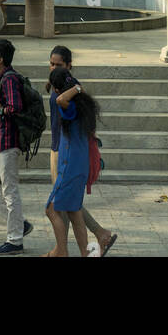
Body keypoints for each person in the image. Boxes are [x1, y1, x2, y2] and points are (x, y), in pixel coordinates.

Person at [47, 45, 115, 256]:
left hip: (68, 160)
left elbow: (60, 100)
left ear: (69, 66)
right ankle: (86, 250)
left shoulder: (71, 101)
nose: (53, 67)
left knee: (53, 207)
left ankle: (62, 251)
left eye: (58, 65)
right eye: (51, 64)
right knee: (74, 210)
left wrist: (76, 88)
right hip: (73, 158)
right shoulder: (77, 101)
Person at [0, 37, 32, 255]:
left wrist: (0, 109)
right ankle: (20, 224)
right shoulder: (3, 78)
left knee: (9, 190)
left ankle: (15, 240)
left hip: (8, 142)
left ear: (0, 59)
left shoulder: (9, 79)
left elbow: (16, 106)